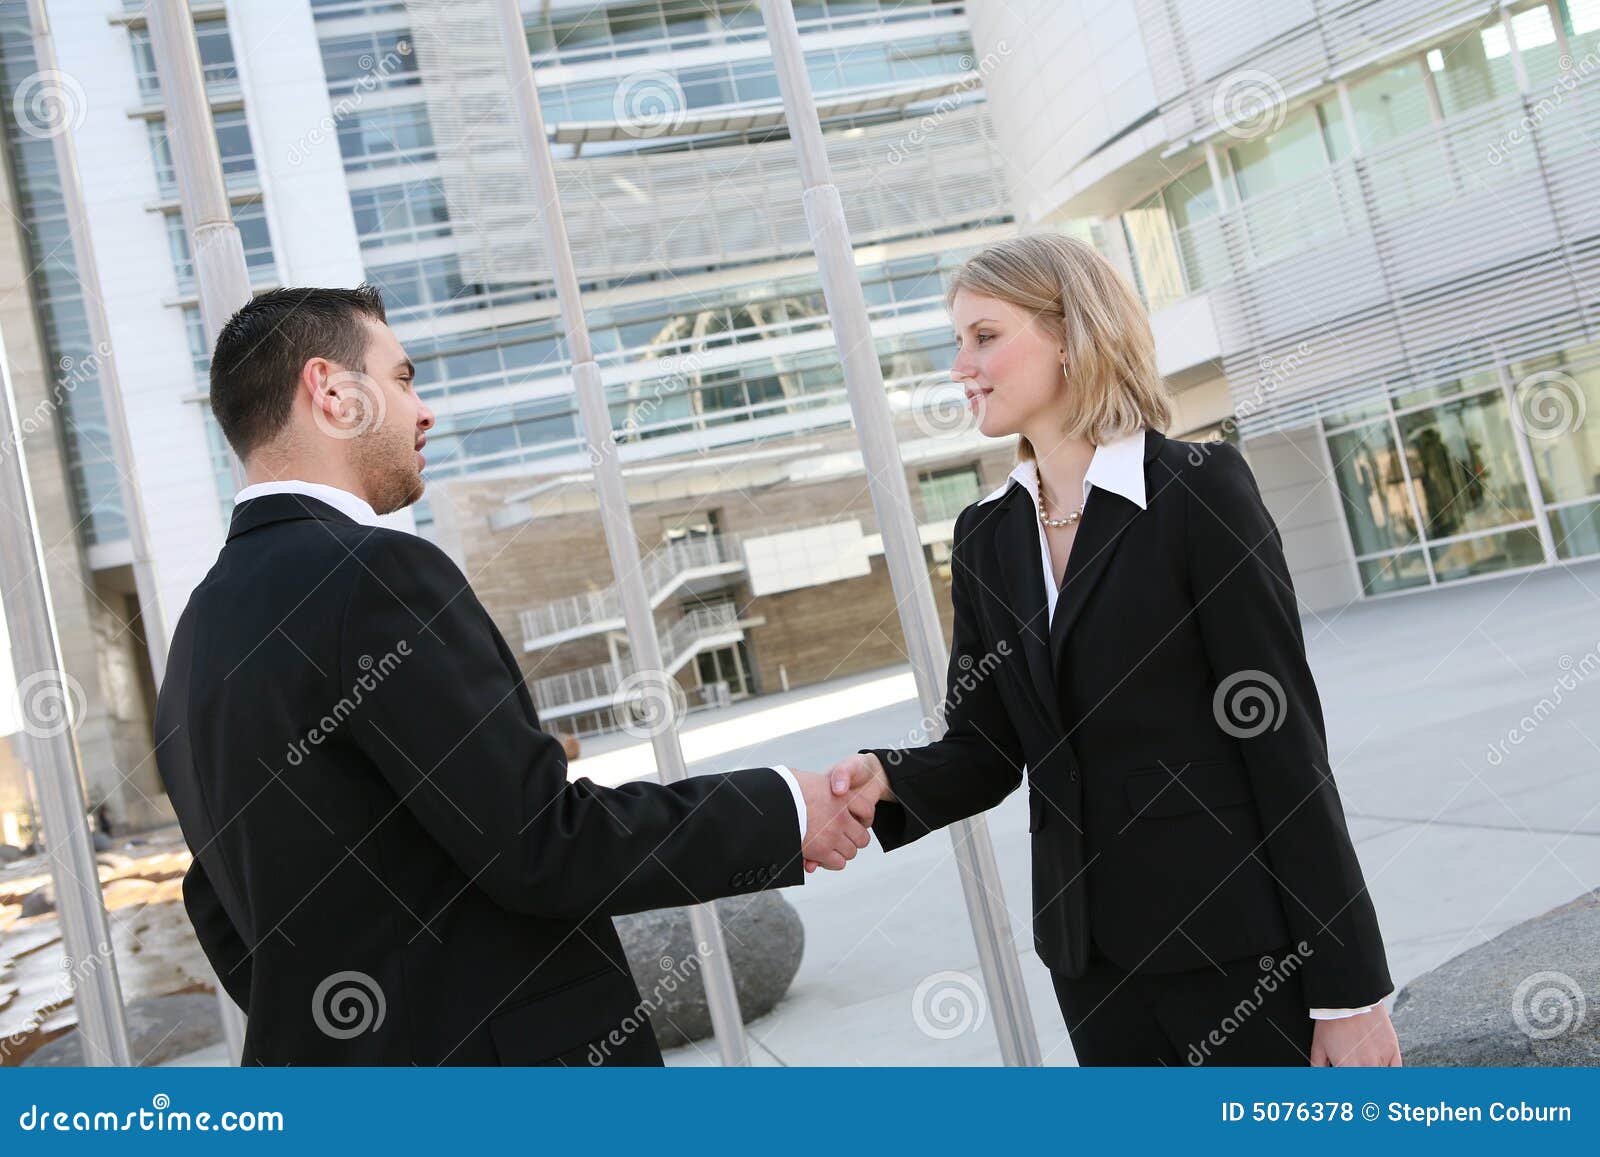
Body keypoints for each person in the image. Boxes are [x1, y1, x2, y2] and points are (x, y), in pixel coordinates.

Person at [154, 286, 867, 1066]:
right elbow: (540, 844)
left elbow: (218, 907)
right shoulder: (377, 576)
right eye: (403, 379)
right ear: (330, 392)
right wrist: (788, 807)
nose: (424, 411)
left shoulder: (196, 636)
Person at [824, 235, 1401, 1066]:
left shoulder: (1199, 489)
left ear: (1070, 334)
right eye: (959, 342)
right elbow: (986, 748)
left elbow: (1284, 745)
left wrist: (1350, 989)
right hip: (1088, 962)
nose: (961, 366)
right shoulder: (986, 535)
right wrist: (888, 781)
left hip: (1237, 950)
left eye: (984, 336)